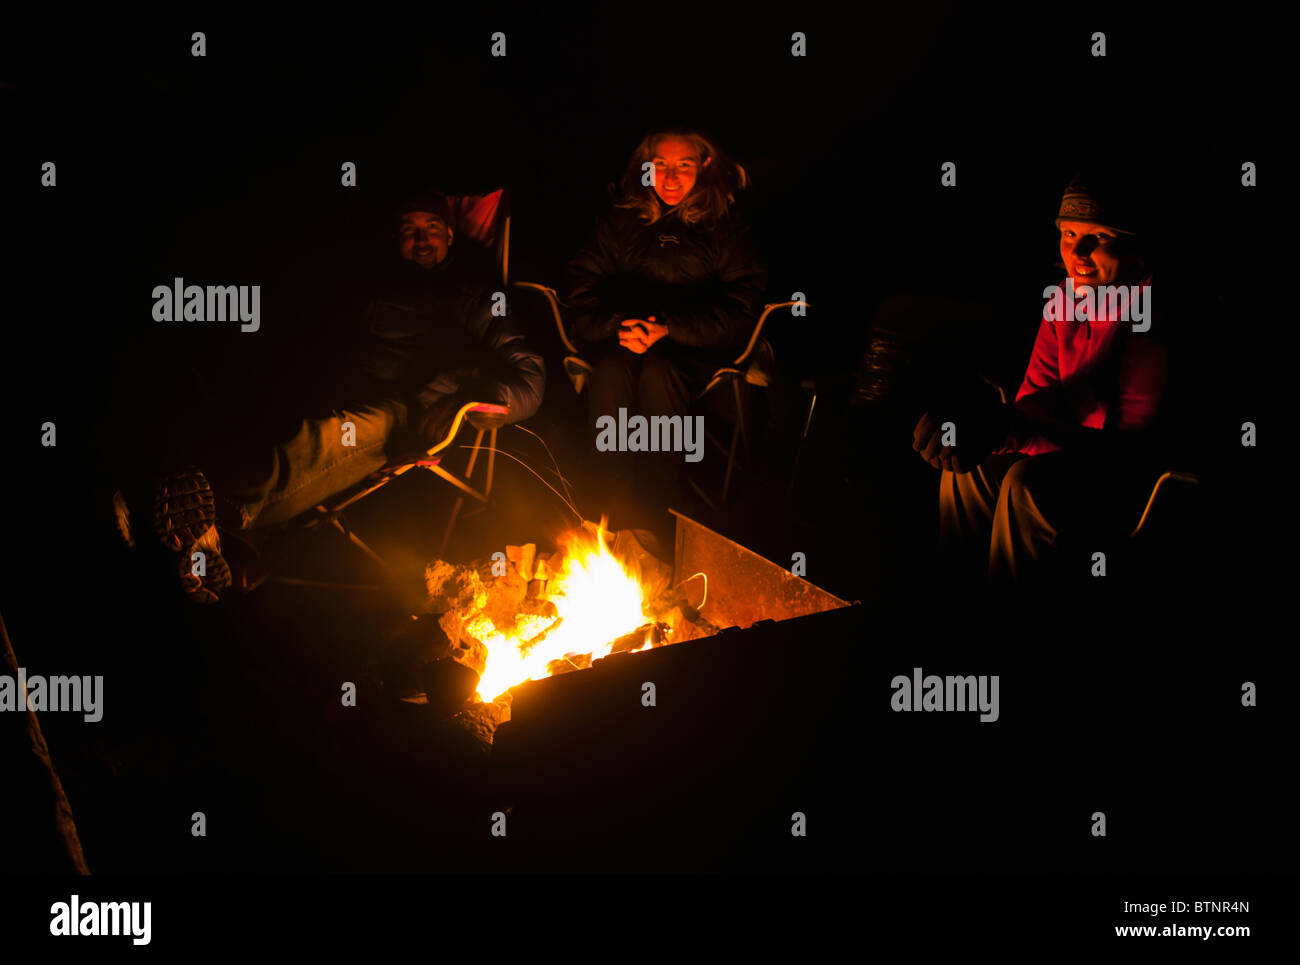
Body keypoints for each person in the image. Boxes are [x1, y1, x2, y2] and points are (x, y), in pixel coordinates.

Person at [114, 191, 545, 602]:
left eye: (431, 227)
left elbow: (530, 376)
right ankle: (207, 536)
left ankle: (211, 516)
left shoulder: (473, 290)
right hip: (346, 385)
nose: (420, 239)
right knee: (259, 389)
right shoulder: (377, 278)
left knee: (326, 437)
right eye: (409, 229)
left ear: (451, 233)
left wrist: (485, 400)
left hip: (410, 414)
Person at [911, 171, 1170, 586]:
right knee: (973, 470)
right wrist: (987, 427)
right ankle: (950, 600)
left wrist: (1006, 427)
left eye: (1100, 236)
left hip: (1136, 477)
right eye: (1069, 234)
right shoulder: (1066, 299)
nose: (1078, 252)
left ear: (1137, 248)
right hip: (1074, 453)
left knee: (1026, 485)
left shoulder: (1153, 315)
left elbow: (1126, 451)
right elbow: (1037, 399)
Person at [565, 130, 768, 536]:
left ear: (705, 166)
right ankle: (604, 514)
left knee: (660, 374)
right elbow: (582, 284)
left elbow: (742, 309)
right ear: (646, 166)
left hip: (694, 349)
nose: (670, 178)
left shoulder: (725, 225)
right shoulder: (623, 218)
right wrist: (618, 323)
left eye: (683, 166)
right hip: (625, 337)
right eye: (660, 165)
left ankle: (654, 514)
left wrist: (669, 328)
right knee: (610, 372)